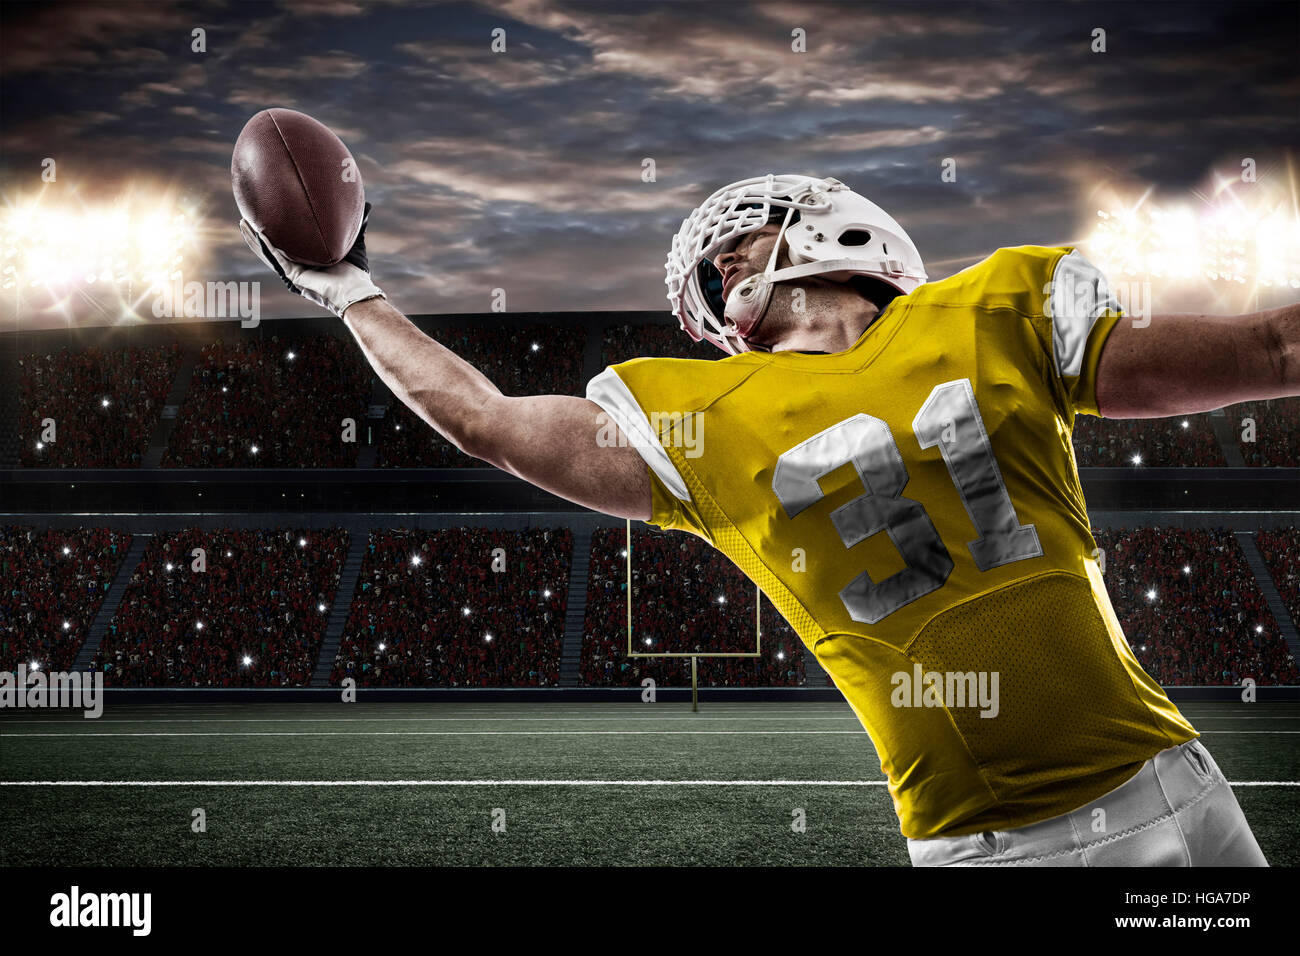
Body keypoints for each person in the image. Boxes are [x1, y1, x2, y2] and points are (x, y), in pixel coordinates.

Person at [239, 173, 1297, 865]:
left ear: (836, 227)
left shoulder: (999, 304)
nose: (723, 257)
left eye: (741, 234)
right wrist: (348, 289)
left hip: (1171, 776)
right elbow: (486, 419)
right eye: (712, 262)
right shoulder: (695, 413)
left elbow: (1270, 351)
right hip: (995, 842)